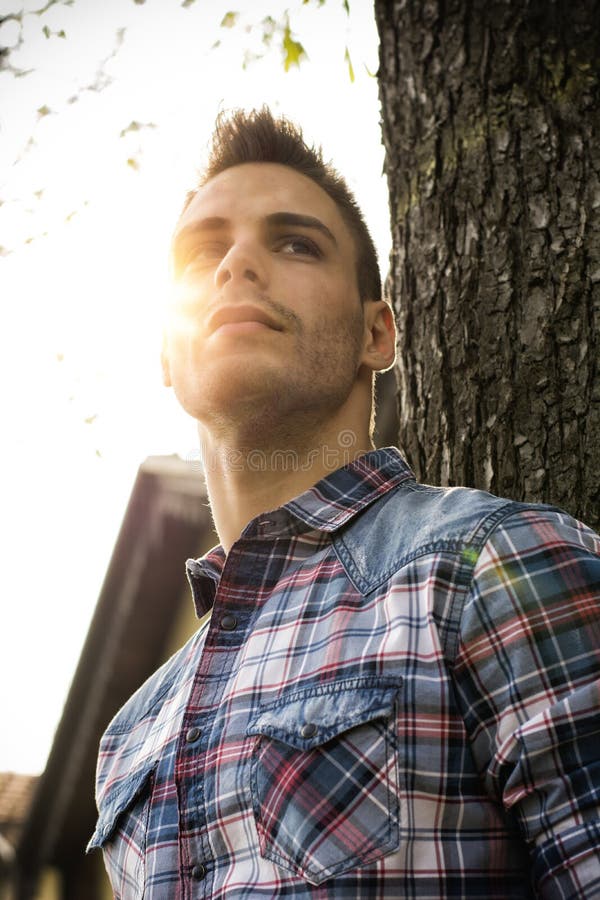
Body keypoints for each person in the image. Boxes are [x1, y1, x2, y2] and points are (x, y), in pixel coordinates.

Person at [88, 107, 600, 899]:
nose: (236, 265)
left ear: (378, 334)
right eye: (203, 250)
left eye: (294, 241)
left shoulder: (493, 566)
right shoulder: (130, 736)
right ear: (166, 350)